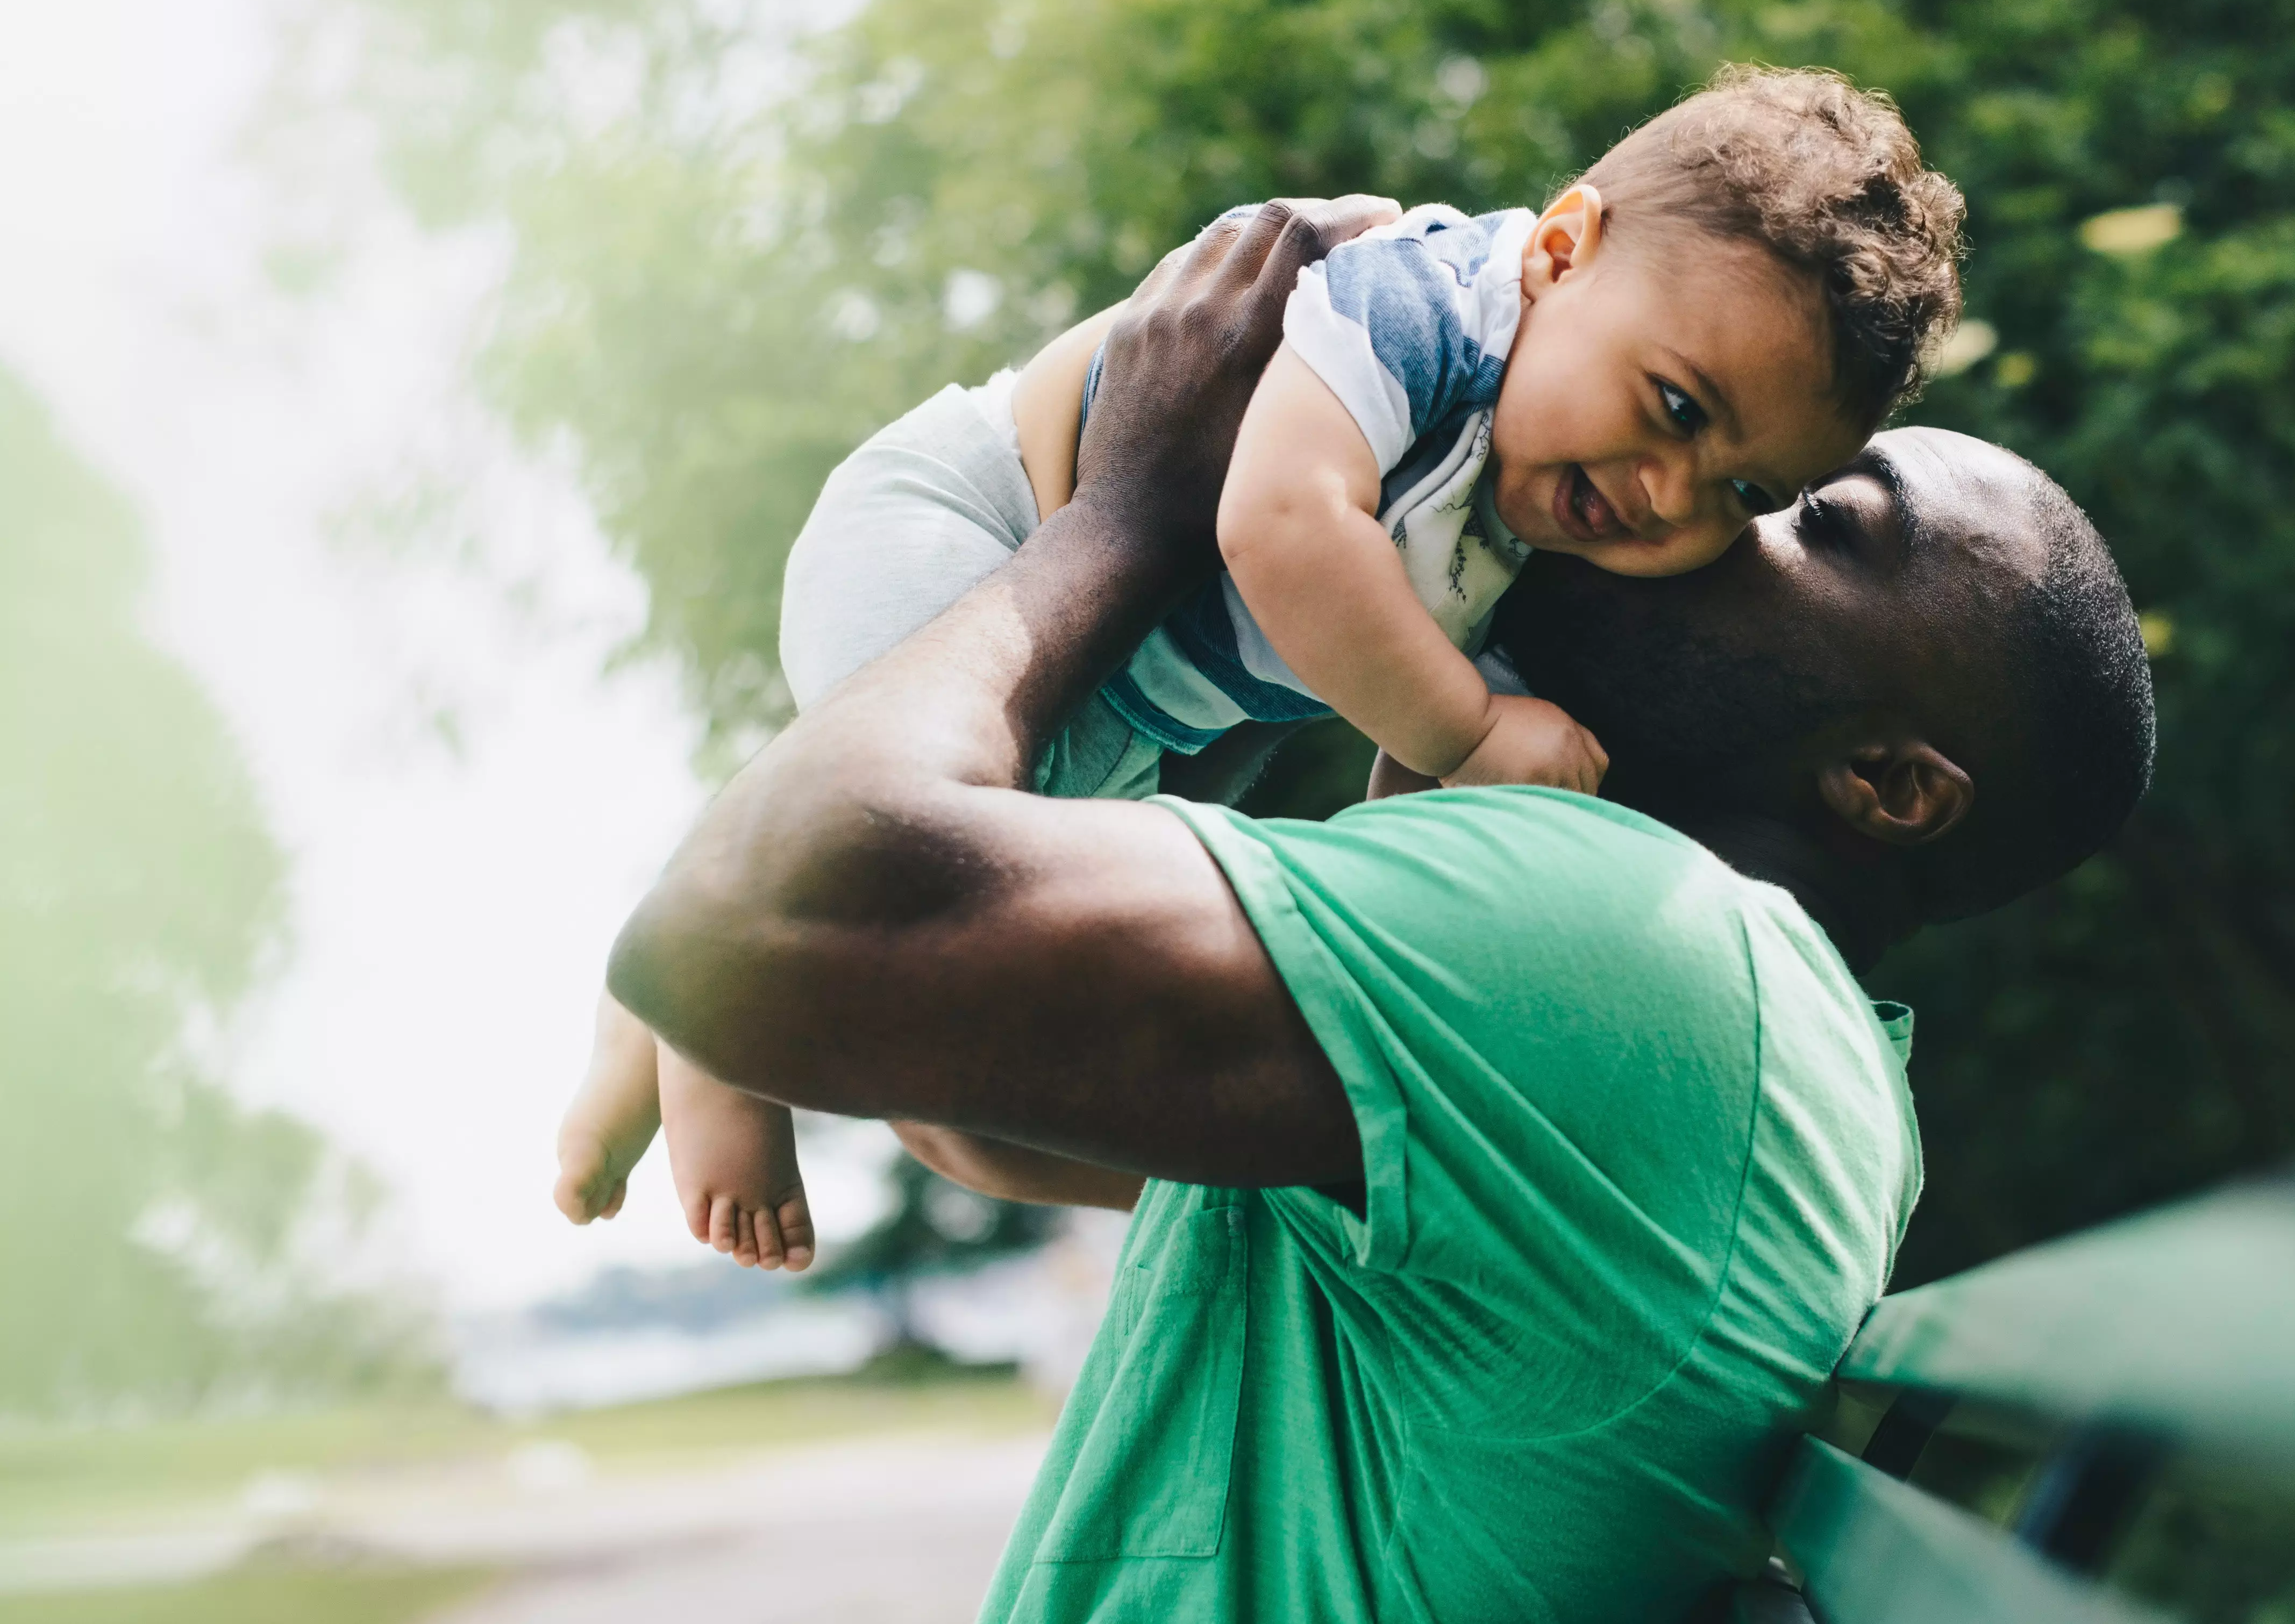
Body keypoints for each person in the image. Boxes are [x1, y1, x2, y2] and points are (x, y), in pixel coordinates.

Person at [603, 197, 2155, 1621]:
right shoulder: (1736, 1032)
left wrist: (1131, 511)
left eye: (1806, 513)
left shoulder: (1627, 950)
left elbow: (751, 931)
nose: (1705, 510)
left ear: (1889, 783)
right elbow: (972, 1105)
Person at [553, 67, 1969, 1270]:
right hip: (976, 528)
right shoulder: (1427, 307)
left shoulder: (1552, 513)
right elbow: (1279, 523)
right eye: (1674, 406)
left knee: (1007, 922)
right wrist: (1475, 730)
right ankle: (721, 1055)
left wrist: (1419, 846)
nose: (1670, 490)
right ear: (1559, 249)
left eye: (1736, 491)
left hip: (1113, 685)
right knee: (869, 846)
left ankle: (654, 980)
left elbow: (1408, 750)